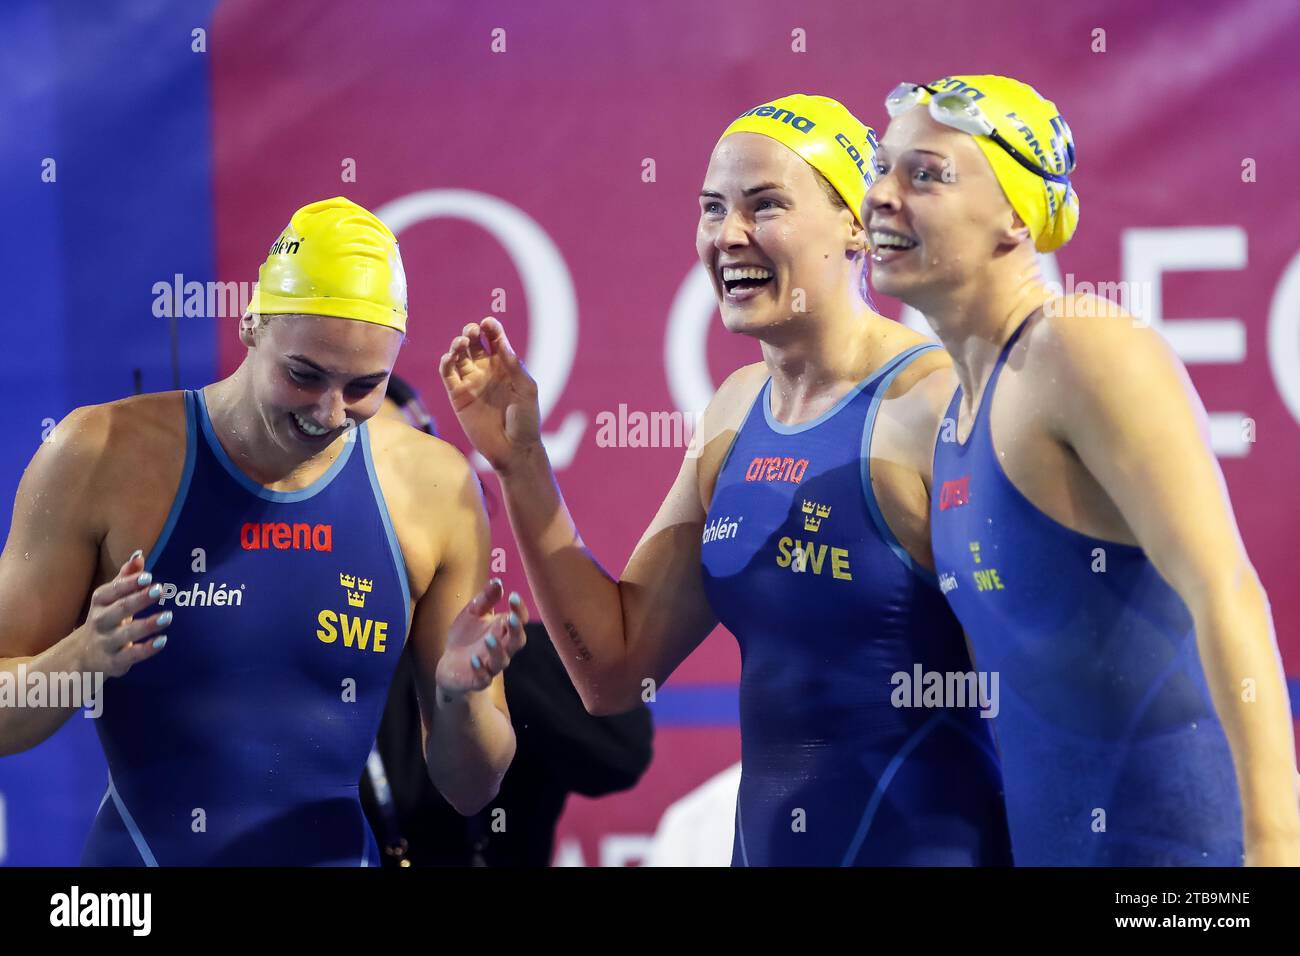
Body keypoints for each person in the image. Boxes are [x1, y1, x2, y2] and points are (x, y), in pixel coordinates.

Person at [440, 95, 1012, 865]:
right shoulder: (736, 412)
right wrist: (523, 466)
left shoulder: (937, 406)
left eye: (765, 205)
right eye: (712, 208)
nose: (727, 235)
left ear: (855, 224)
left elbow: (1033, 695)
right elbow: (613, 667)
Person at [0, 197, 528, 866]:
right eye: (304, 375)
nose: (329, 412)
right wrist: (80, 659)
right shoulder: (100, 454)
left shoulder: (433, 489)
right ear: (252, 323)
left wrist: (460, 696)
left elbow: (471, 787)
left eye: (365, 385)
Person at [866, 75, 1300, 865]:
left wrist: (1275, 851)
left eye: (924, 173)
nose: (882, 196)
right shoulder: (954, 414)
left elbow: (1226, 590)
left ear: (1016, 217)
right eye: (879, 167)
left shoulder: (1083, 348)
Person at [360, 376, 653, 866]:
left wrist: (486, 677)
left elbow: (620, 756)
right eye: (362, 470)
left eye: (406, 467)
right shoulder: (297, 664)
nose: (385, 498)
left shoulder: (518, 660)